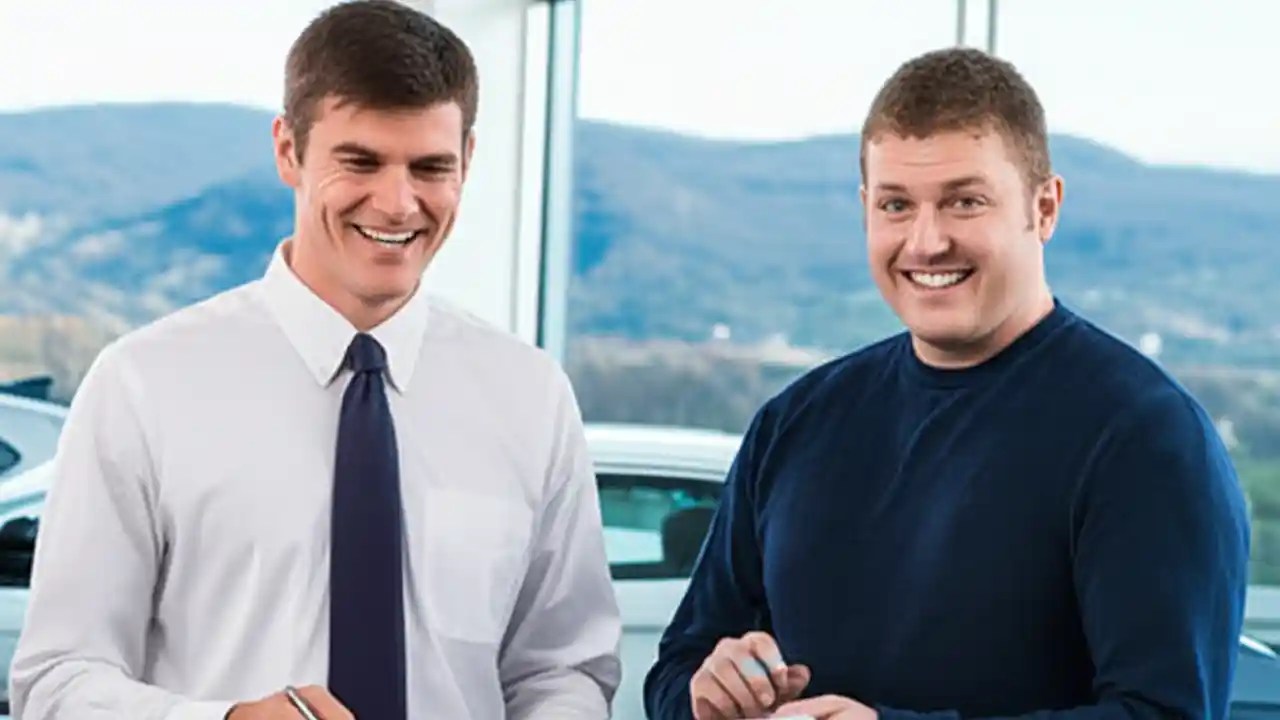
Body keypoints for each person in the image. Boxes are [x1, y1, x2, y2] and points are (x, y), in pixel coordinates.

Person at [9, 1, 622, 718]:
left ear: (468, 161)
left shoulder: (530, 396)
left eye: (430, 167)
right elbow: (58, 679)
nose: (398, 204)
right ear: (288, 151)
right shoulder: (142, 386)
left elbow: (563, 670)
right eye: (360, 162)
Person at [643, 46, 1250, 720]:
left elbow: (1163, 713)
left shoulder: (1146, 436)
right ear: (866, 209)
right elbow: (676, 670)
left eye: (965, 202)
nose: (926, 242)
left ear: (1044, 208)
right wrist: (706, 695)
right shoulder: (794, 421)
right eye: (896, 205)